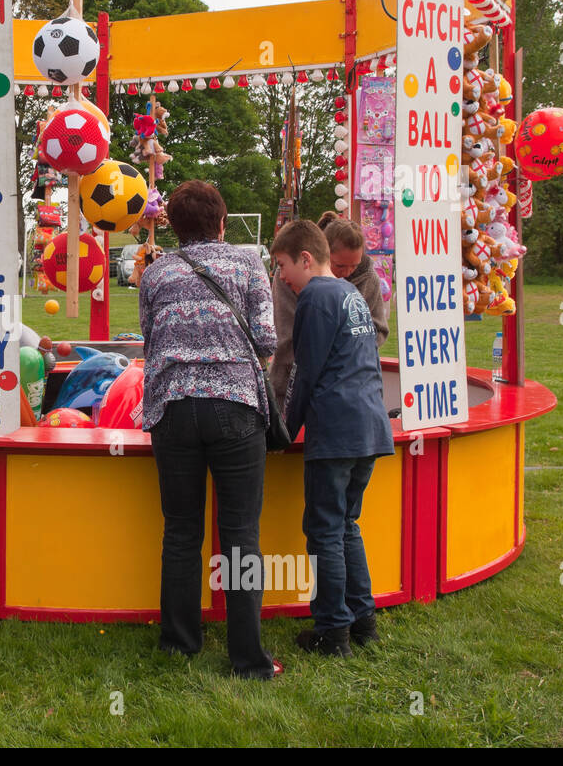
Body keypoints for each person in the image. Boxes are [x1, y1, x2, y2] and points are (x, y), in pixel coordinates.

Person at [138, 180, 280, 680]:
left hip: (172, 408)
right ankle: (249, 658)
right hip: (235, 407)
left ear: (173, 227)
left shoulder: (155, 275)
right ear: (222, 222)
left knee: (181, 531)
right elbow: (266, 338)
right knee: (241, 535)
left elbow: (150, 342)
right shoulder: (247, 264)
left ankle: (179, 643)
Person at [270, 219, 394, 658]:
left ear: (306, 258)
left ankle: (331, 631)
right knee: (346, 528)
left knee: (323, 531)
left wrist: (284, 429)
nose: (282, 276)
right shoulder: (349, 295)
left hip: (336, 431)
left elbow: (306, 371)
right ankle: (363, 620)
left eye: (284, 265)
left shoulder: (315, 297)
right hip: (370, 426)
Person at [271, 211, 388, 412]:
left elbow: (377, 330)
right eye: (340, 265)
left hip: (350, 394)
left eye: (354, 266)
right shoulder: (291, 277)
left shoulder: (368, 279)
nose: (346, 273)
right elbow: (288, 340)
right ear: (321, 256)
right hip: (298, 388)